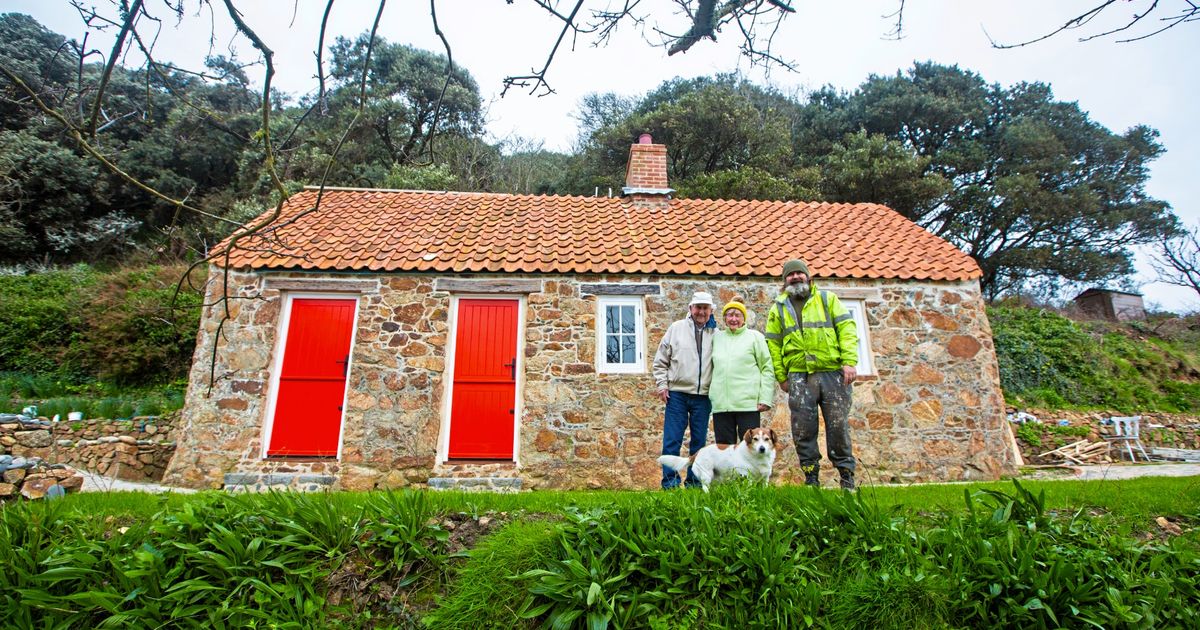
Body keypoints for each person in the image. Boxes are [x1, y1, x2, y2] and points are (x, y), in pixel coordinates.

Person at [764, 259, 860, 490]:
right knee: (803, 429)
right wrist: (782, 377)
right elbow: (773, 346)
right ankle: (811, 478)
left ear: (808, 277)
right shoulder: (778, 308)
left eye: (799, 273)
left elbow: (847, 330)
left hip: (833, 373)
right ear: (784, 280)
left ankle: (846, 477)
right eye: (790, 274)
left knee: (838, 426)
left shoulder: (828, 299)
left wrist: (849, 362)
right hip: (799, 376)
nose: (795, 277)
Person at [652, 290, 717, 489]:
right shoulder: (676, 328)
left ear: (711, 311)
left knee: (699, 442)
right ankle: (670, 484)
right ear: (690, 308)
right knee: (672, 441)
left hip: (703, 396)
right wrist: (662, 385)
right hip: (677, 394)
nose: (701, 312)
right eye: (698, 308)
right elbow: (660, 360)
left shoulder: (716, 333)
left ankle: (694, 483)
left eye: (706, 308)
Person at [709, 300, 774, 446]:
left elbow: (767, 367)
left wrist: (765, 398)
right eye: (729, 315)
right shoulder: (716, 338)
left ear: (744, 318)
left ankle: (748, 471)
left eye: (737, 315)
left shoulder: (755, 337)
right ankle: (727, 471)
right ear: (724, 318)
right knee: (724, 448)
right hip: (722, 404)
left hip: (748, 405)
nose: (733, 319)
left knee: (749, 448)